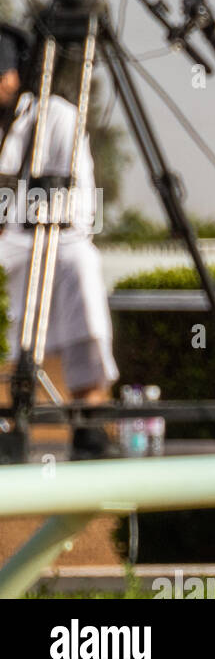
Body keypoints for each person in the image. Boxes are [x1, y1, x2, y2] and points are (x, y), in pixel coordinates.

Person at [0, 23, 118, 455]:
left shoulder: (57, 117)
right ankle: (11, 421)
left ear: (16, 74)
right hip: (10, 241)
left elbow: (80, 205)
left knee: (82, 266)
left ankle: (89, 417)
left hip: (60, 236)